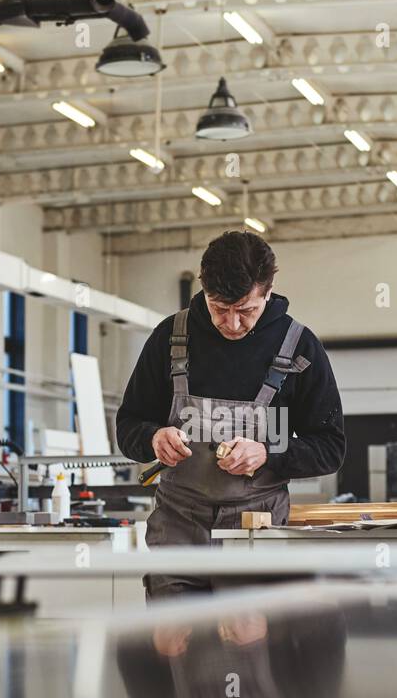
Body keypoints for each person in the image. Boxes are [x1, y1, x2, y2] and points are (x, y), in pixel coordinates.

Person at [116, 230, 346, 599]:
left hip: (257, 529)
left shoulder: (300, 347)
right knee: (174, 640)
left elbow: (330, 447)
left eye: (246, 310)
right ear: (204, 290)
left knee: (246, 644)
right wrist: (152, 438)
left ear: (267, 293)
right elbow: (128, 424)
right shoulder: (169, 337)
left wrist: (269, 454)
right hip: (178, 527)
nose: (233, 324)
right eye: (219, 308)